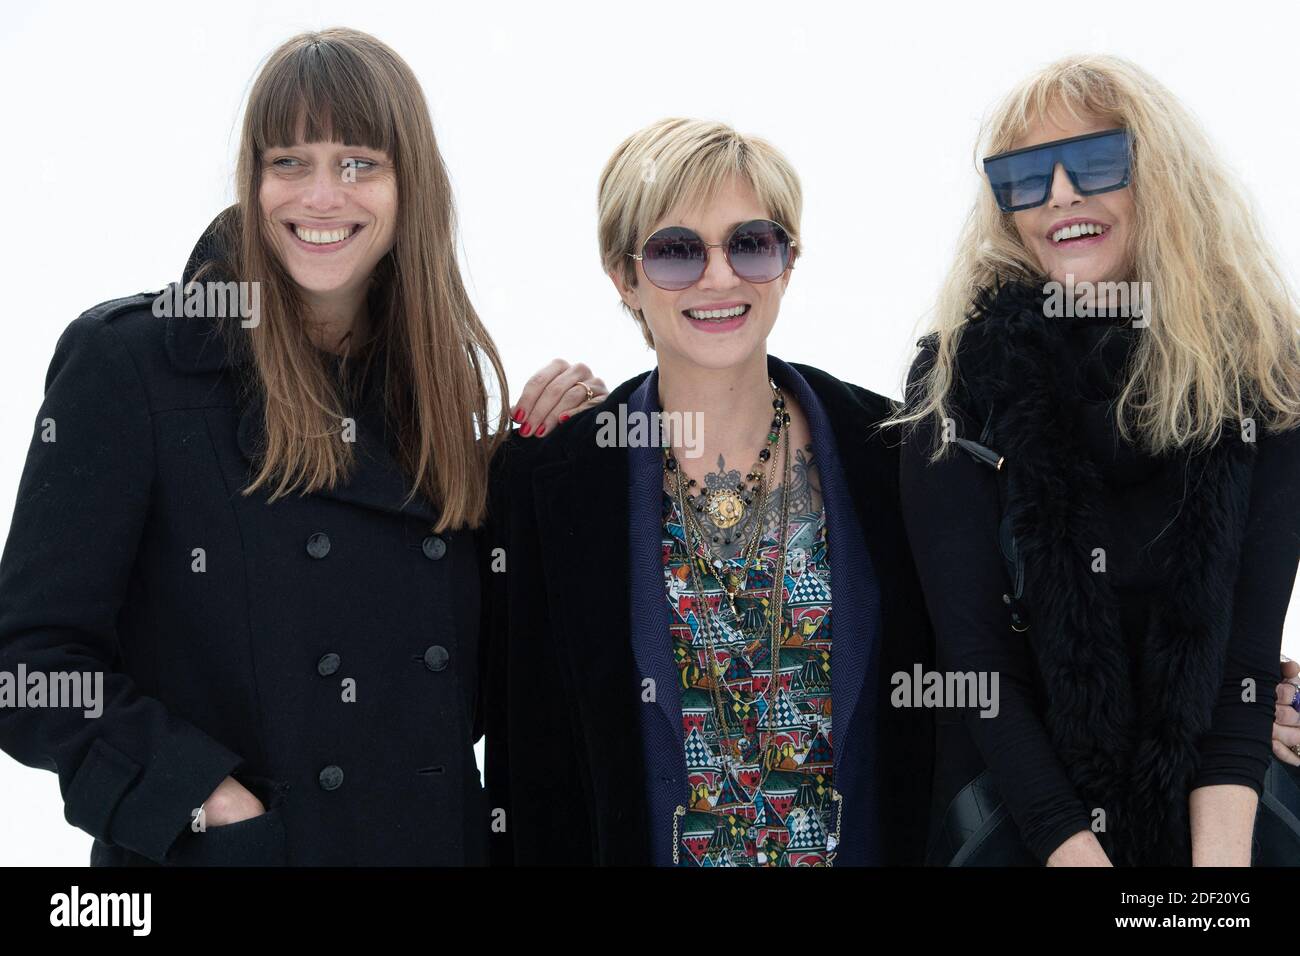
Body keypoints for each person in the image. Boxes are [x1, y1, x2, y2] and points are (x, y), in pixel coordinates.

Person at [0, 27, 604, 866]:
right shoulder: (133, 364)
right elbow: (29, 667)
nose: (322, 196)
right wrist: (206, 800)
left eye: (359, 162)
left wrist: (554, 464)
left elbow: (484, 683)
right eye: (289, 161)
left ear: (409, 187)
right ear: (253, 179)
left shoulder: (433, 387)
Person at [483, 118, 933, 866]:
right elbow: (520, 758)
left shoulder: (896, 454)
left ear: (788, 262)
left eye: (751, 243)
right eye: (675, 252)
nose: (719, 277)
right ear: (623, 276)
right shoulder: (551, 480)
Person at [893, 54, 1300, 866]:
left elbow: (1243, 666)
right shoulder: (956, 380)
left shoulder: (1265, 372)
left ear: (1164, 175)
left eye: (1096, 161)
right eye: (1022, 176)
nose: (1059, 196)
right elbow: (978, 671)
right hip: (1028, 831)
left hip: (1221, 823)